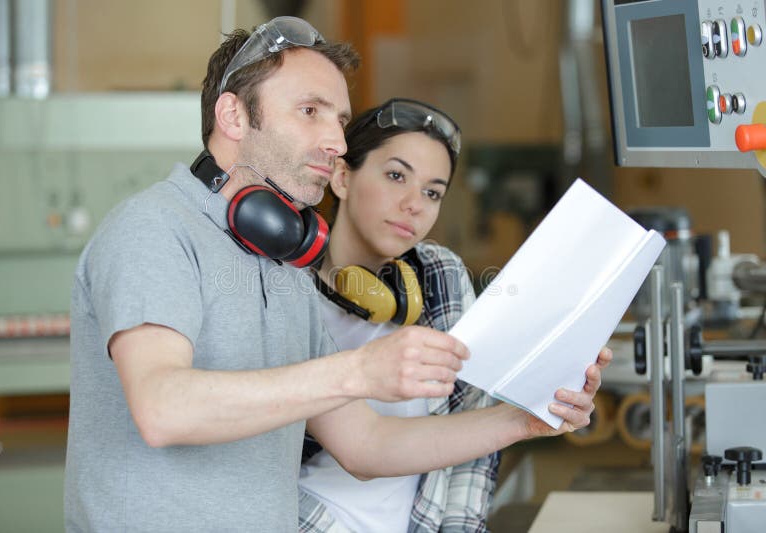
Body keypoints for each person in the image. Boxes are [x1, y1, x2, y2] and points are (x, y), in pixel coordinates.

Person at [63, 16, 610, 532]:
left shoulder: (281, 264)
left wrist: (525, 422)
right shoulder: (155, 228)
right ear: (233, 116)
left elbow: (367, 445)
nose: (338, 142)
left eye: (341, 120)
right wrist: (359, 371)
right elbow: (163, 408)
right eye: (310, 111)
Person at [298, 98, 500, 532]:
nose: (415, 204)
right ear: (342, 176)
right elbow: (363, 449)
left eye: (432, 192)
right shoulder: (286, 289)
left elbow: (473, 430)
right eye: (395, 176)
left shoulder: (441, 275)